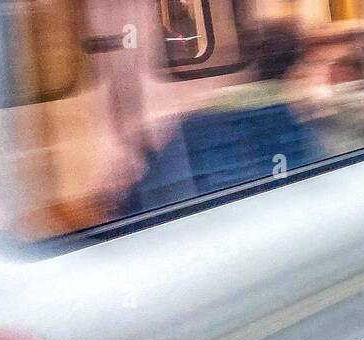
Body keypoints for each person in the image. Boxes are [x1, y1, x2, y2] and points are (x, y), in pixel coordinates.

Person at [121, 21, 319, 214]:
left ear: (246, 58)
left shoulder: (199, 122)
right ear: (296, 65)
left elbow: (145, 199)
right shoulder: (298, 123)